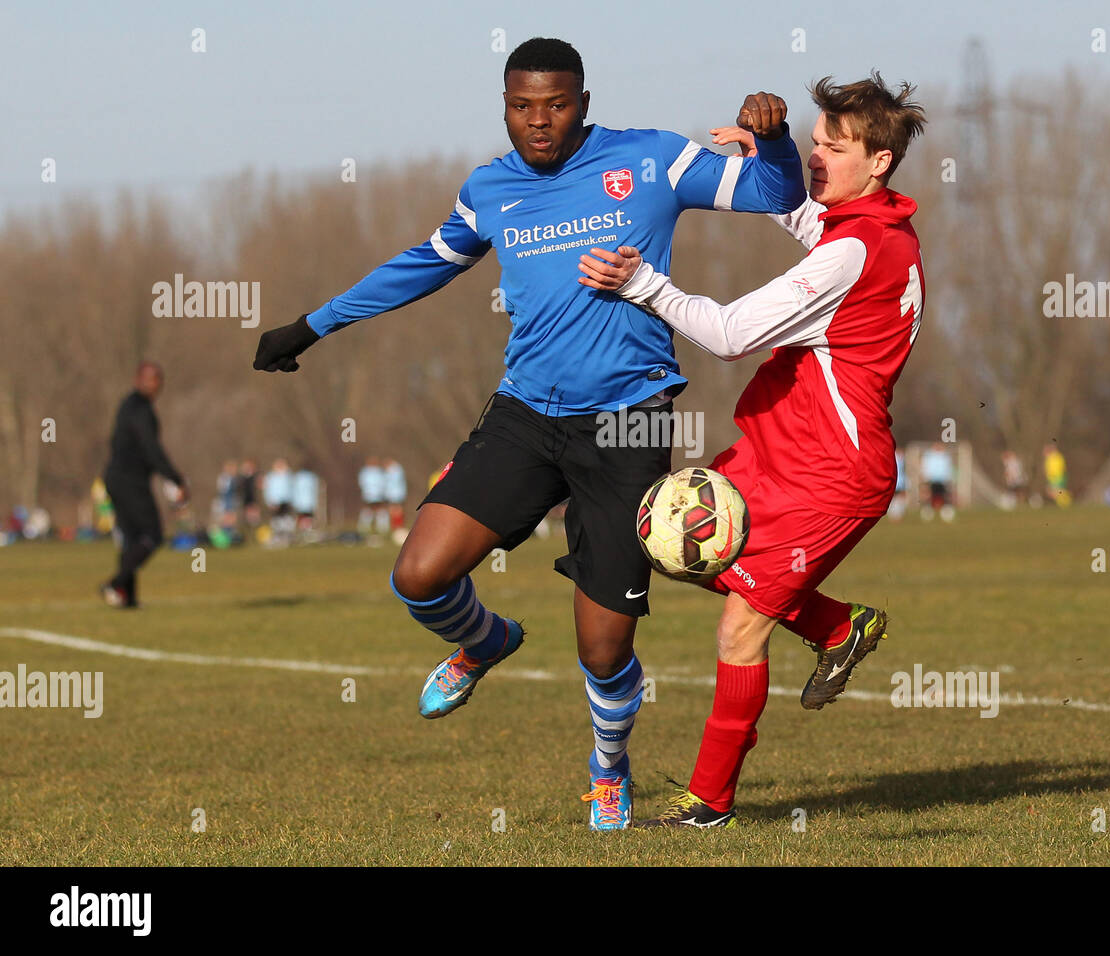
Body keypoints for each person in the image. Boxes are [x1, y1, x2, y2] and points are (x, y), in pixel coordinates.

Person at [252, 36, 805, 829]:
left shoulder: (652, 161)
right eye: (522, 106)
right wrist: (312, 326)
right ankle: (484, 641)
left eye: (556, 105)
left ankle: (608, 768)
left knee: (604, 652)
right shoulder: (491, 189)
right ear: (504, 107)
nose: (538, 121)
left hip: (626, 424)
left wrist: (778, 138)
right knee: (418, 576)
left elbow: (770, 192)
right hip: (525, 415)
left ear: (583, 102)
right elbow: (425, 263)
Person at [579, 72, 926, 826]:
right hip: (786, 453)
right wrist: (768, 153)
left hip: (833, 472)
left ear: (879, 164)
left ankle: (710, 803)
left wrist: (647, 285)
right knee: (676, 545)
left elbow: (732, 336)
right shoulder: (876, 231)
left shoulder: (853, 252)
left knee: (740, 624)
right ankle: (838, 627)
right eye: (814, 141)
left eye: (836, 147)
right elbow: (812, 223)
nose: (818, 155)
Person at [101, 361, 187, 608]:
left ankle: (127, 597)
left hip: (117, 477)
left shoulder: (129, 405)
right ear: (138, 380)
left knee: (131, 538)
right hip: (129, 480)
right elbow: (151, 449)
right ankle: (116, 583)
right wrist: (175, 478)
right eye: (151, 379)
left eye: (159, 379)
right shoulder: (140, 410)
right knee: (153, 535)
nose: (156, 384)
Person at [920, 442, 956, 521]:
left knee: (945, 497)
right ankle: (927, 514)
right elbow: (924, 467)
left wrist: (949, 478)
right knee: (928, 497)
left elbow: (948, 468)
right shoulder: (928, 455)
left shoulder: (945, 456)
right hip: (931, 479)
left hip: (943, 480)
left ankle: (947, 514)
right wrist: (925, 478)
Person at [359, 456, 387, 533]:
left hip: (375, 495)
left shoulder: (375, 471)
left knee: (377, 510)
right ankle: (365, 527)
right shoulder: (366, 472)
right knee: (370, 510)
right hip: (371, 494)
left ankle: (381, 527)